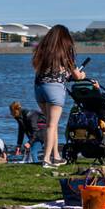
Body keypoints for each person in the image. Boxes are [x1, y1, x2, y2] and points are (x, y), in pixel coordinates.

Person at [32, 25, 86, 168]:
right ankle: (46, 160)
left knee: (51, 124)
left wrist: (65, 75)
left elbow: (48, 71)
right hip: (54, 90)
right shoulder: (65, 52)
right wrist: (81, 76)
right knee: (52, 125)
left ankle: (56, 156)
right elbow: (76, 76)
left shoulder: (43, 50)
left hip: (39, 88)